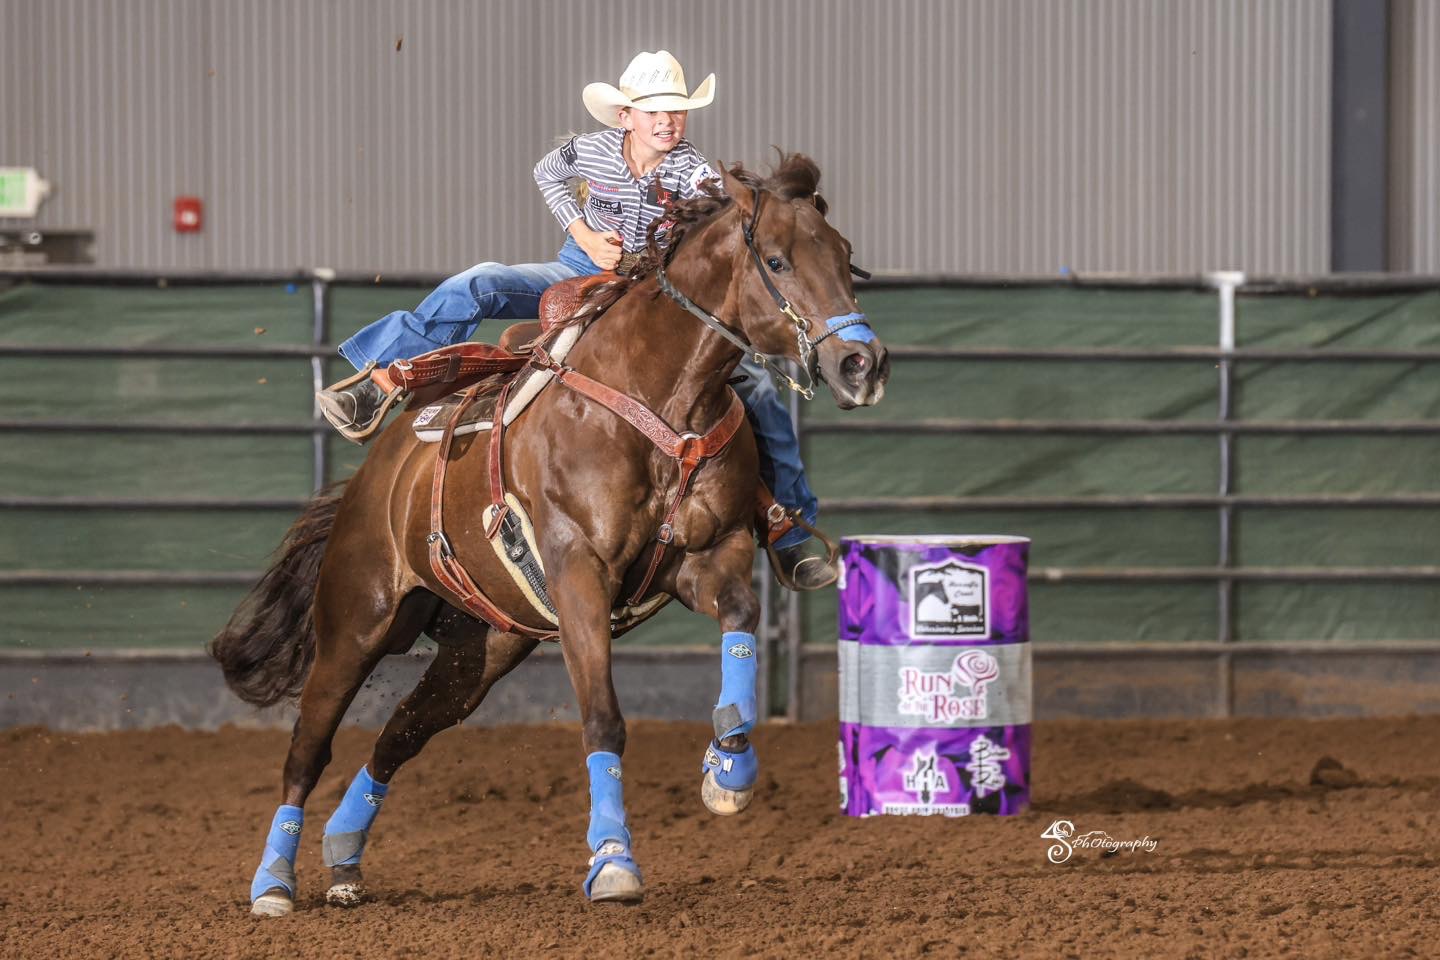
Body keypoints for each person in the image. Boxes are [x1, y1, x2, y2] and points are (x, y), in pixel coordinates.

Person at [315, 50, 834, 589]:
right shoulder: (591, 150)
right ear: (625, 116)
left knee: (760, 395)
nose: (667, 121)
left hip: (653, 294)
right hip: (579, 267)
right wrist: (583, 235)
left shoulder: (695, 172)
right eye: (653, 111)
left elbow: (733, 218)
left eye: (676, 111)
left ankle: (788, 533)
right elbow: (547, 172)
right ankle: (378, 381)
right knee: (480, 282)